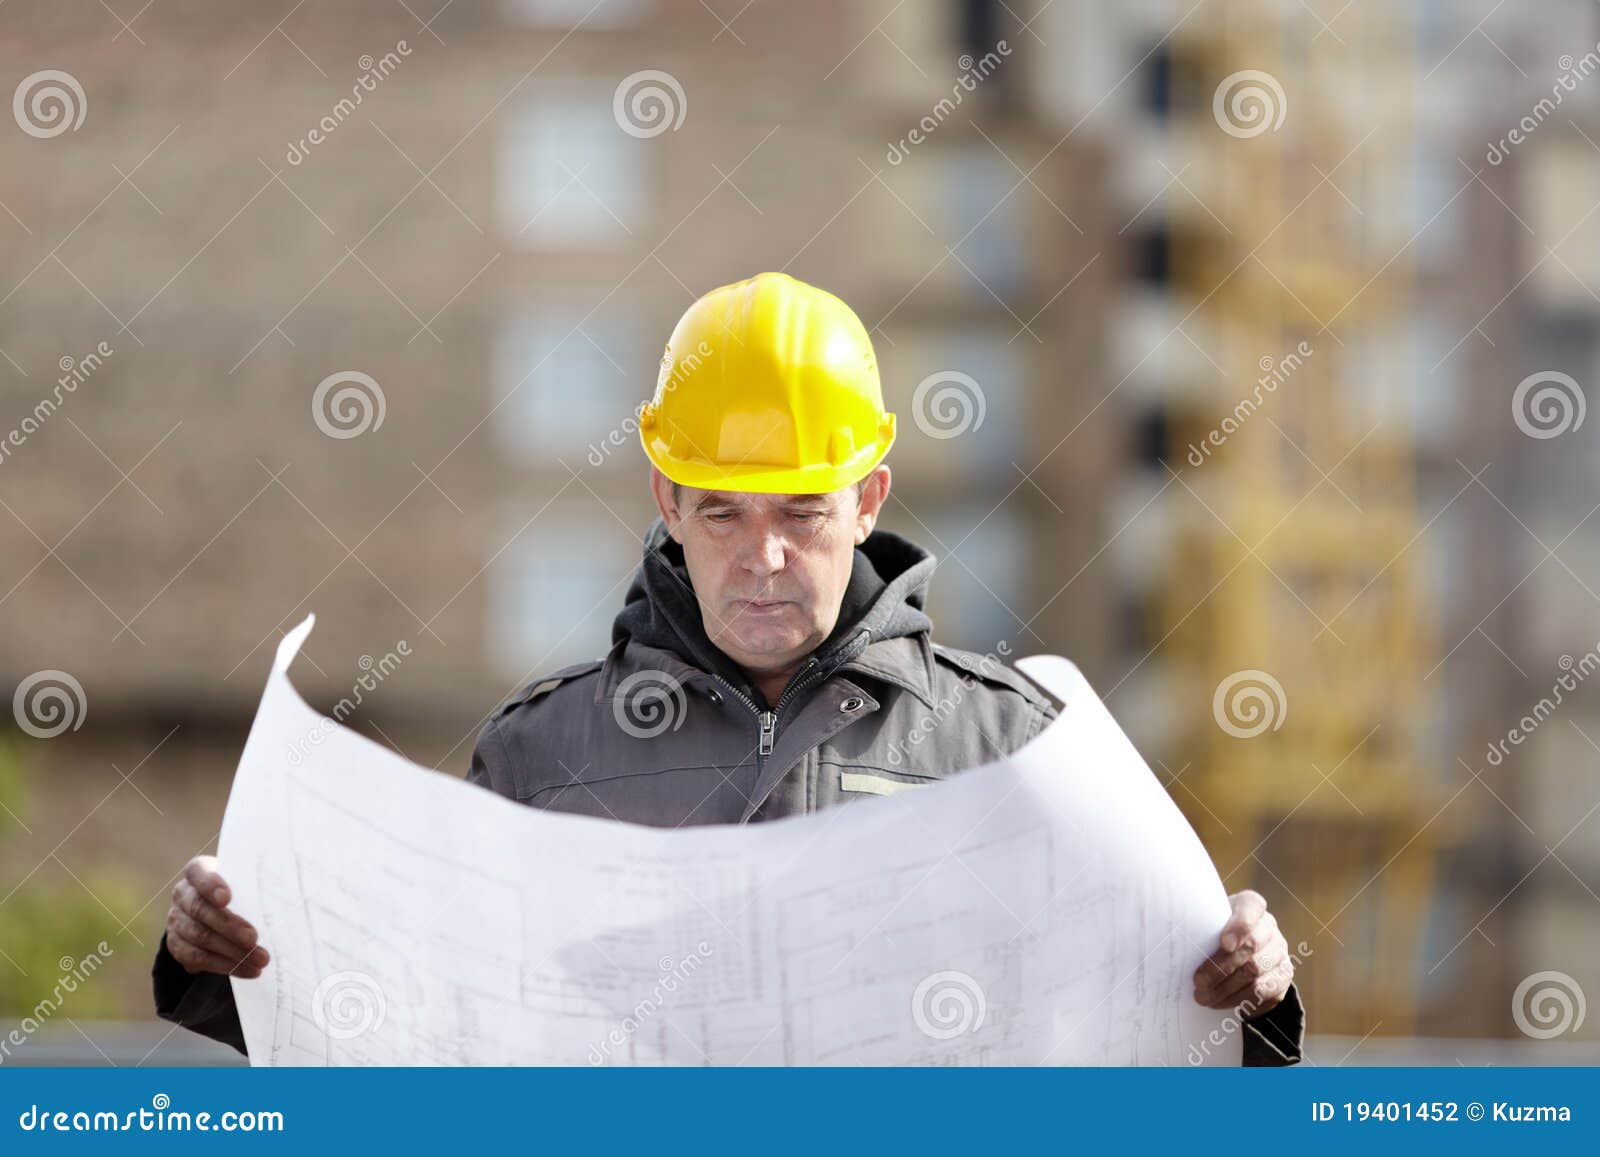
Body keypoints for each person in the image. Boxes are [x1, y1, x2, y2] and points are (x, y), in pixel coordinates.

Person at [152, 272, 1304, 1064]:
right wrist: (225, 957)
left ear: (866, 502)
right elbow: (416, 1029)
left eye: (802, 512)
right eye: (720, 513)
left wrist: (1248, 987)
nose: (762, 557)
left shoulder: (1017, 745)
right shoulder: (540, 754)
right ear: (666, 499)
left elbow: (1143, 1042)